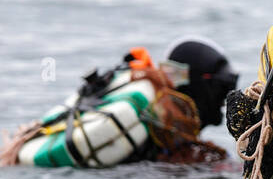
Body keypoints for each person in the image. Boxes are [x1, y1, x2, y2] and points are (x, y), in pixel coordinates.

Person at [1, 37, 237, 167]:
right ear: (194, 83)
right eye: (221, 89)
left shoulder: (147, 112)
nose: (225, 100)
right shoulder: (163, 132)